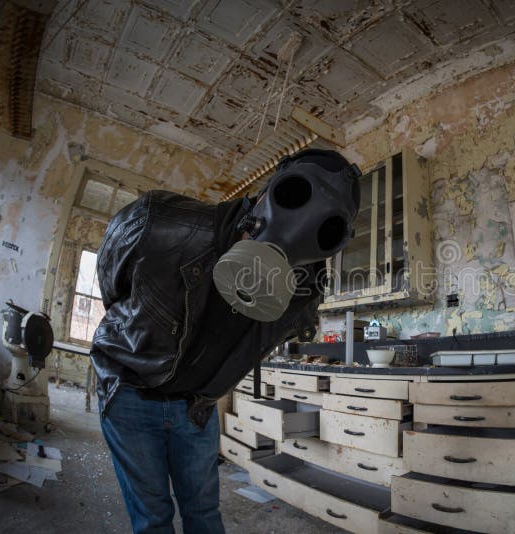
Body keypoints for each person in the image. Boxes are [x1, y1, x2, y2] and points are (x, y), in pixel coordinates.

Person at [90, 149, 361, 534]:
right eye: (293, 196)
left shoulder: (300, 295)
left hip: (196, 408)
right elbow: (113, 287)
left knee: (204, 514)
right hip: (129, 390)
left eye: (326, 230)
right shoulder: (159, 222)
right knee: (152, 519)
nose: (296, 229)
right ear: (265, 191)